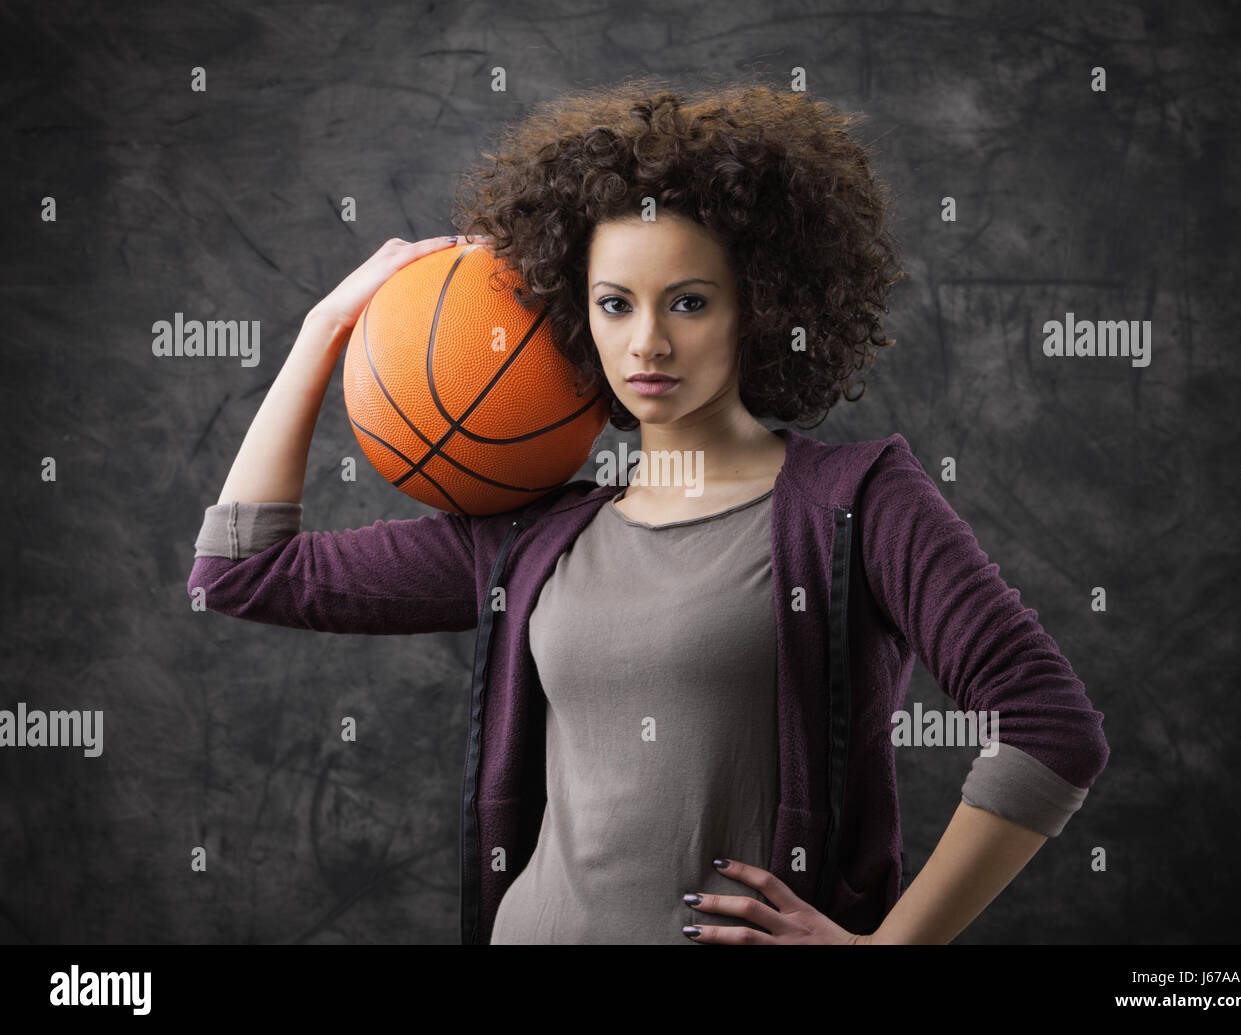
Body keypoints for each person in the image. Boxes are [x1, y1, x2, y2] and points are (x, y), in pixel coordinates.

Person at [188, 78, 1109, 946]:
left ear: (761, 306)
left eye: (690, 303)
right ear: (576, 315)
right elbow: (241, 571)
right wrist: (324, 330)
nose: (649, 342)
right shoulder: (534, 538)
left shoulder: (856, 504)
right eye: (615, 304)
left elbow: (1050, 725)